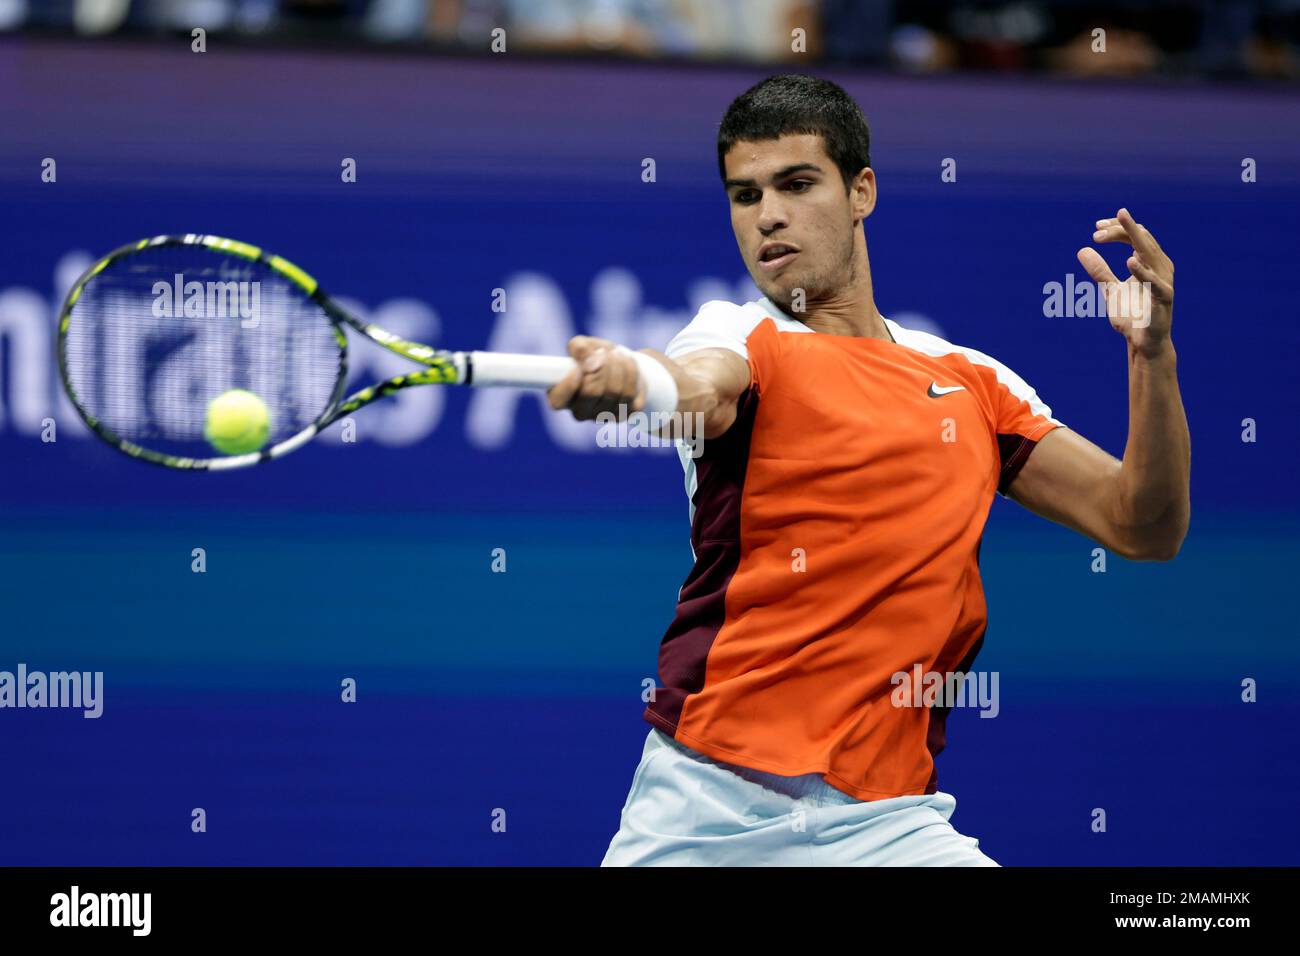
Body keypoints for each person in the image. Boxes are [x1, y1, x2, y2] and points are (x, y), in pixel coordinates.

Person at [547, 74, 1189, 866]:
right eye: (744, 196)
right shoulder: (740, 334)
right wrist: (637, 384)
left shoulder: (974, 383)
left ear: (862, 192)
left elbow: (1143, 526)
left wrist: (1151, 356)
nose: (768, 215)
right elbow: (698, 388)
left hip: (888, 827)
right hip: (704, 814)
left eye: (796, 183)